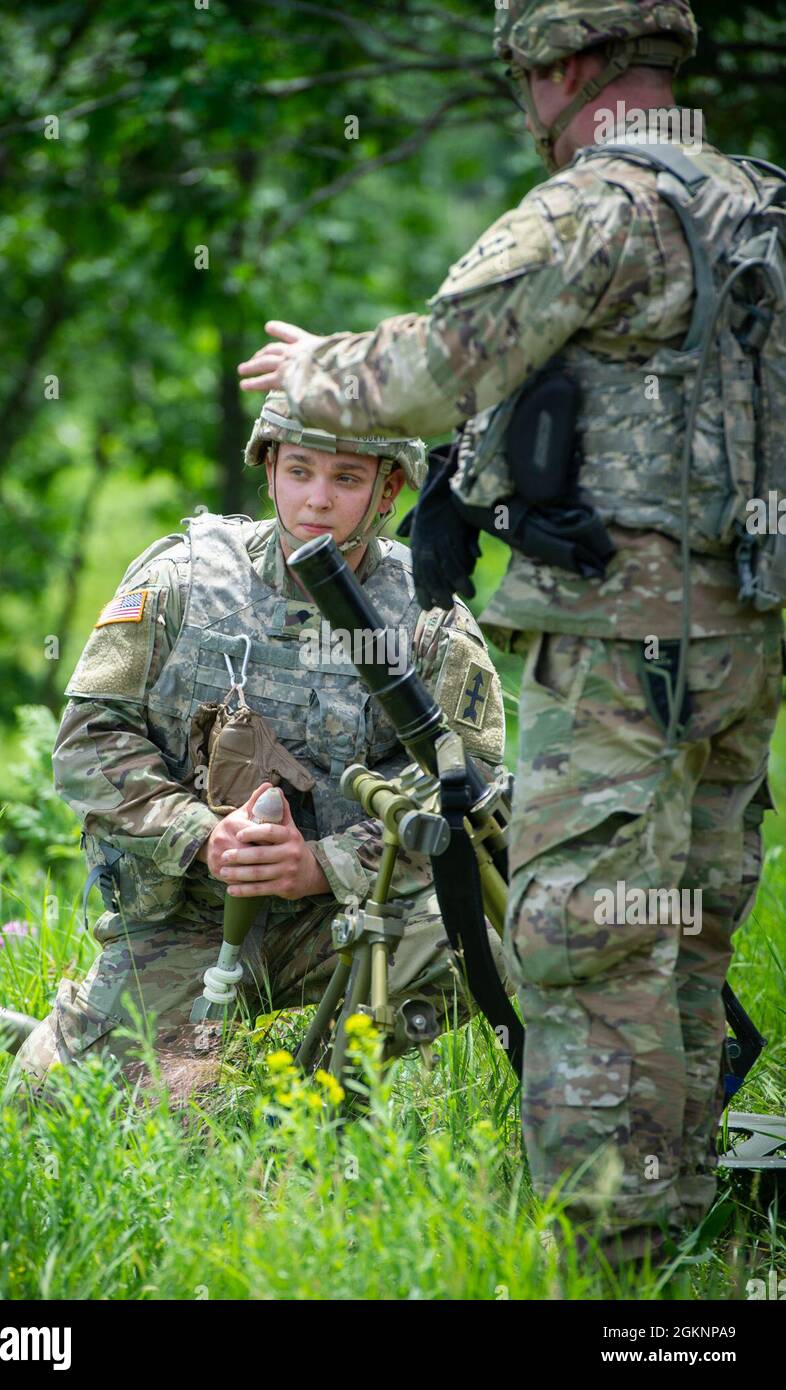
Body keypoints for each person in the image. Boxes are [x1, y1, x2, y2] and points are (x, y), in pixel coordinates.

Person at [237, 1, 786, 1264]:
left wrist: (321, 368)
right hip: (740, 638)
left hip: (616, 640)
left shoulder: (598, 204)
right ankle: (681, 1214)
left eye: (527, 76)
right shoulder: (753, 204)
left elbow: (439, 364)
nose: (524, 103)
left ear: (572, 69)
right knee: (684, 918)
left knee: (584, 931)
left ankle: (612, 1261)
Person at [7, 394, 509, 1102]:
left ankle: (318, 1073)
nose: (316, 500)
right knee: (53, 1105)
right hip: (192, 912)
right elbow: (90, 742)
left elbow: (470, 782)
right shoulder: (181, 580)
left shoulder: (429, 618)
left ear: (388, 489)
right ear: (268, 465)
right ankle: (71, 1039)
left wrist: (323, 865)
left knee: (517, 934)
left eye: (345, 479)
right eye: (299, 470)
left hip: (347, 918)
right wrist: (202, 837)